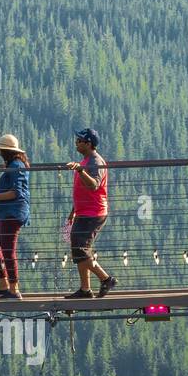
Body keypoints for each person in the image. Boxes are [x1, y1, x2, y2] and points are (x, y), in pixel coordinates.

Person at [64, 127, 117, 299]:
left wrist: (80, 170)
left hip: (93, 213)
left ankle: (106, 278)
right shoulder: (87, 160)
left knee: (80, 250)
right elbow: (82, 190)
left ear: (88, 143)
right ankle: (85, 289)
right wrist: (74, 210)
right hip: (84, 211)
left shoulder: (95, 161)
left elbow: (94, 185)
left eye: (79, 141)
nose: (76, 143)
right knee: (81, 250)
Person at [0, 134, 29, 300]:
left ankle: (13, 288)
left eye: (1, 150)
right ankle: (4, 285)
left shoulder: (16, 166)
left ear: (7, 151)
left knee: (8, 250)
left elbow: (16, 192)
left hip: (12, 213)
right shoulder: (15, 164)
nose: (0, 153)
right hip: (7, 213)